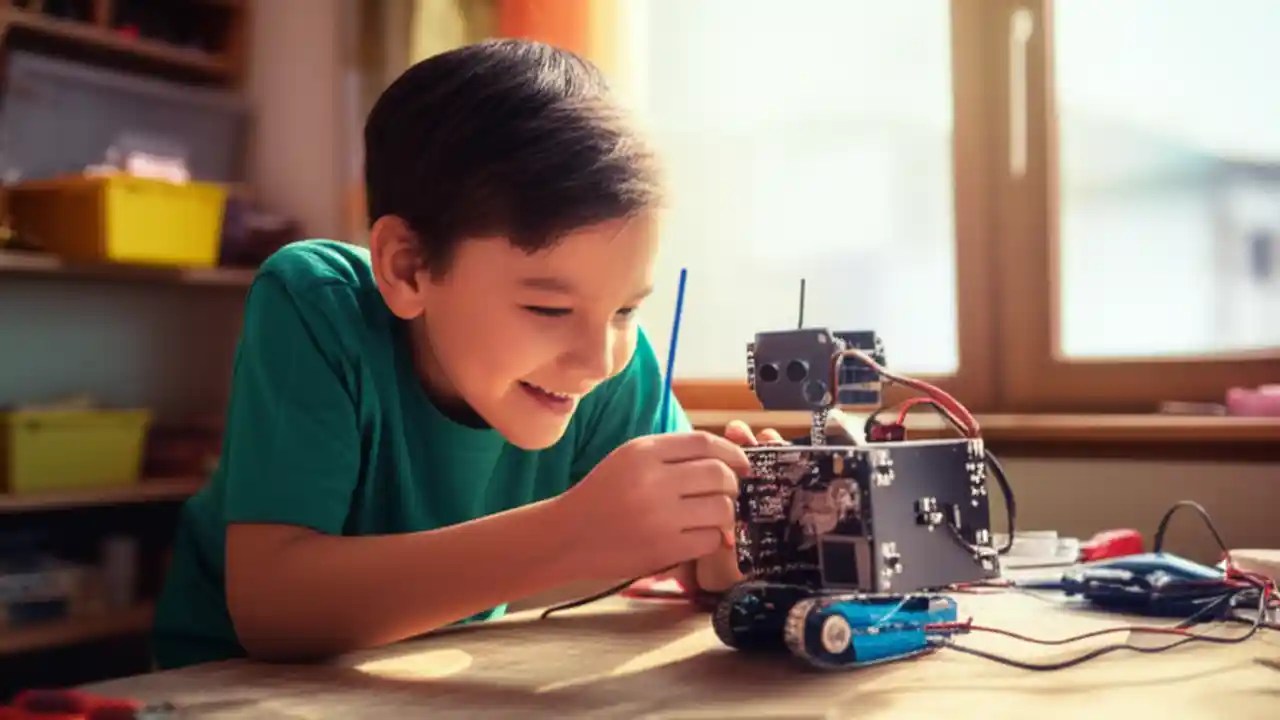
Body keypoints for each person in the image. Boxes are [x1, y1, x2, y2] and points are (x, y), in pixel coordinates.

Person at [151, 38, 780, 670]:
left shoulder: (611, 360)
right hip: (226, 687)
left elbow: (690, 559)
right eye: (548, 310)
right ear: (409, 267)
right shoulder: (319, 304)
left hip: (428, 678)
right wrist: (569, 535)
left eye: (626, 308)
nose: (598, 358)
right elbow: (274, 609)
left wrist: (739, 539)